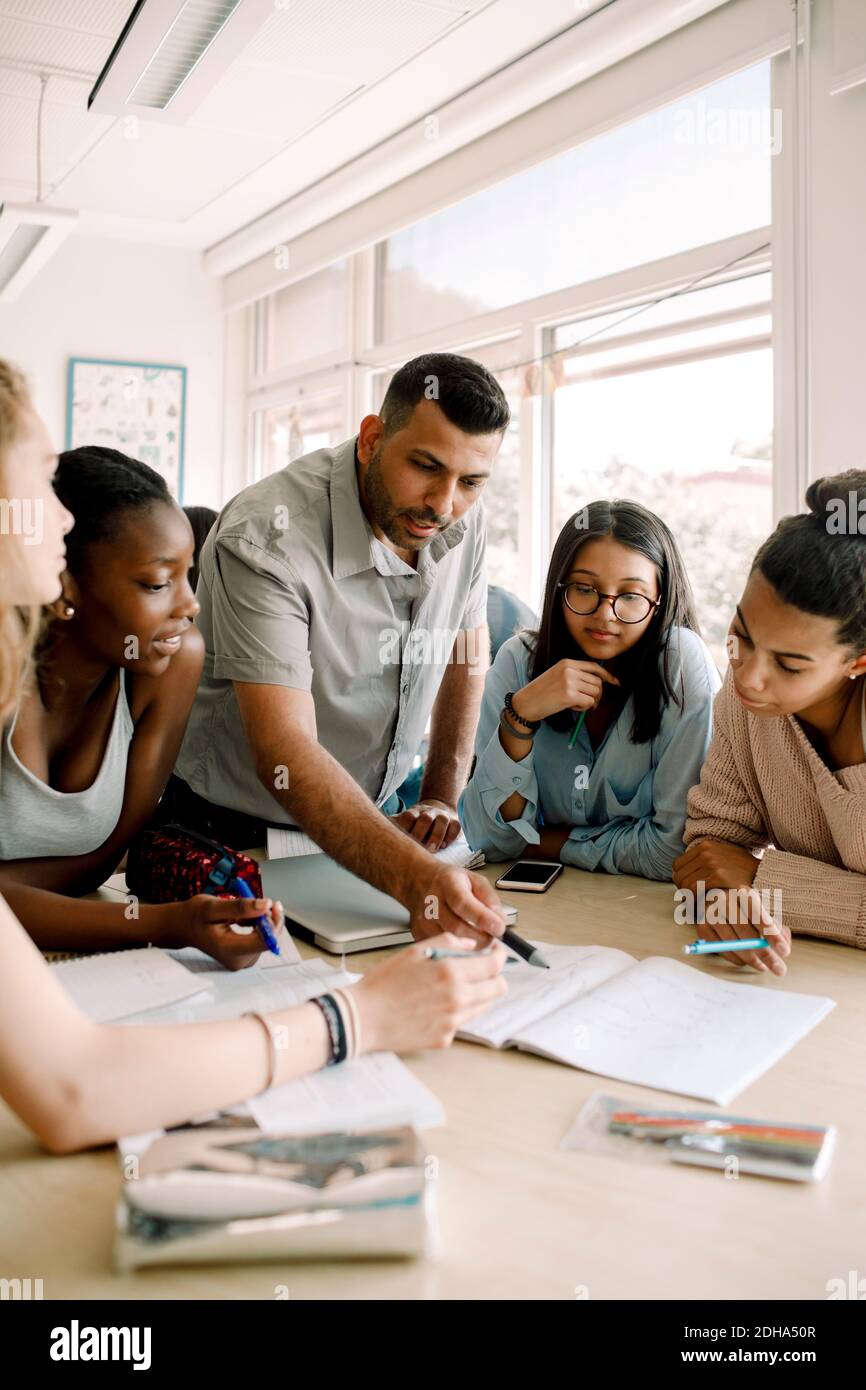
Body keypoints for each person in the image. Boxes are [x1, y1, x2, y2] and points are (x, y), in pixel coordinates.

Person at [0, 358, 507, 1153]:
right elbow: (76, 1089)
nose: (60, 517)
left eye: (470, 482)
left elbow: (82, 871)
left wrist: (163, 922)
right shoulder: (267, 532)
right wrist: (359, 1017)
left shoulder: (150, 659)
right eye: (37, 476)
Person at [171, 353, 512, 944]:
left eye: (471, 482)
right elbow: (286, 750)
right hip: (230, 831)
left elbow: (464, 654)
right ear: (371, 439)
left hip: (364, 827)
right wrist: (417, 879)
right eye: (425, 466)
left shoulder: (462, 518)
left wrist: (439, 798)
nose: (443, 502)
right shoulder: (265, 538)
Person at [0, 446, 279, 967]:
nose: (189, 604)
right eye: (157, 583)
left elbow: (100, 862)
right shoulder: (5, 669)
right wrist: (168, 925)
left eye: (187, 573)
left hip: (61, 959)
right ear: (64, 585)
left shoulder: (173, 662)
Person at [460, 500, 720, 880]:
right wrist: (519, 717)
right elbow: (489, 838)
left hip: (645, 916)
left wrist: (549, 843)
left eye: (631, 596)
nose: (605, 615)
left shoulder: (680, 661)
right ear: (559, 587)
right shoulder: (518, 662)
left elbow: (674, 851)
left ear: (660, 599)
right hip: (543, 911)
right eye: (584, 589)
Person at [674, 471, 866, 975]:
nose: (748, 676)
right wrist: (725, 897)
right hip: (804, 979)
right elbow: (710, 846)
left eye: (789, 664)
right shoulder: (742, 706)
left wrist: (767, 879)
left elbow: (745, 863)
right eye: (742, 633)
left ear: (859, 662)